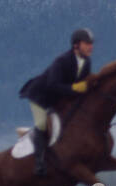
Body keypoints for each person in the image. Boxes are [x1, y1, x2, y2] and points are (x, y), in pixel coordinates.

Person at [18, 29, 95, 175]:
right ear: (76, 46)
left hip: (58, 98)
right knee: (42, 125)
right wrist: (74, 88)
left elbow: (82, 86)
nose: (91, 47)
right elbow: (52, 85)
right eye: (87, 44)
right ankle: (39, 163)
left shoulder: (87, 62)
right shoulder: (62, 61)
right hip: (40, 96)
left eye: (91, 44)